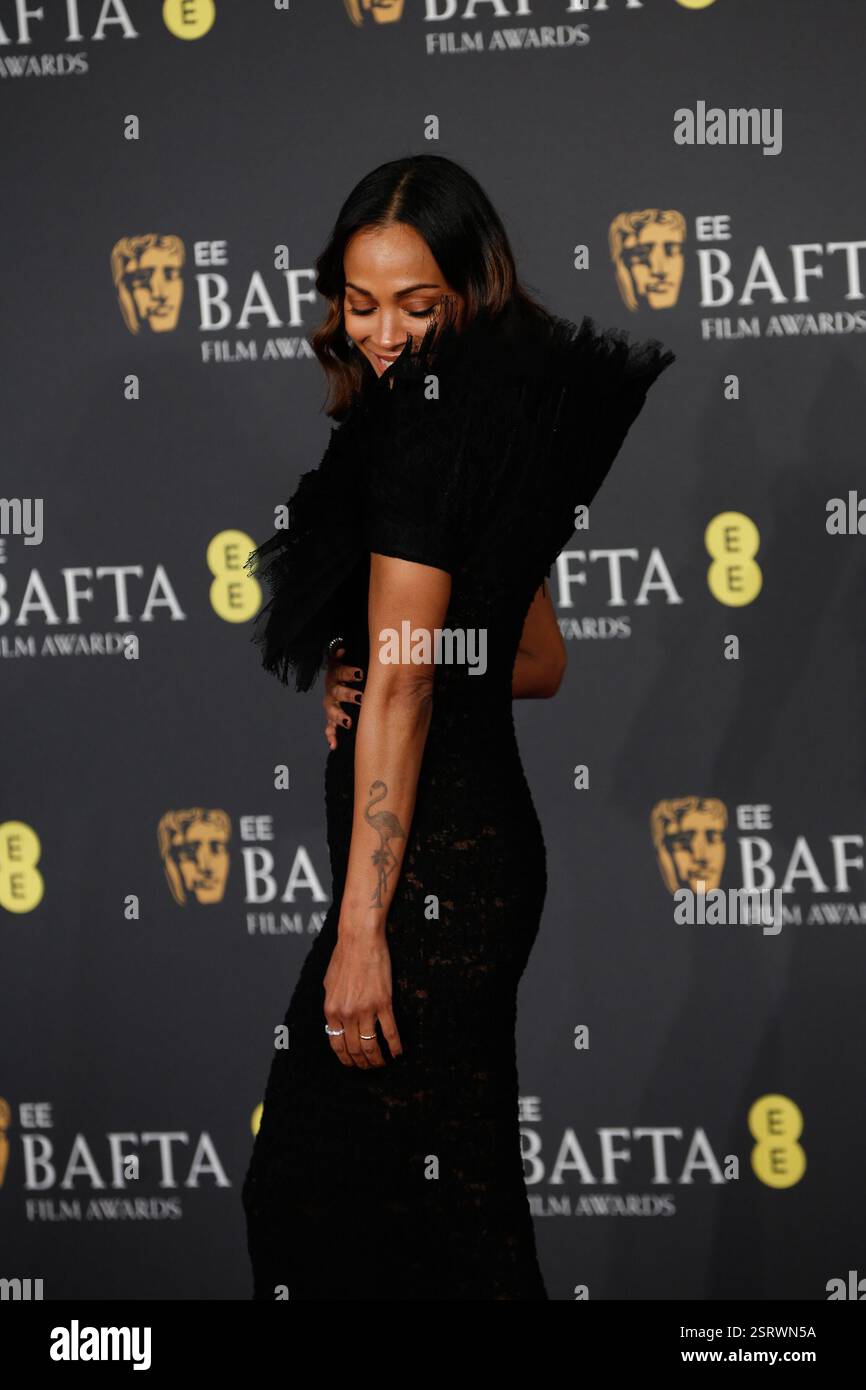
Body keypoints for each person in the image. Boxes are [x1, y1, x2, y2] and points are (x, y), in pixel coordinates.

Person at [241, 153, 675, 1300]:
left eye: (416, 305)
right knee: (438, 1202)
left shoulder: (429, 434)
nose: (383, 333)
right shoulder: (474, 417)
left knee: (323, 1198)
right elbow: (528, 658)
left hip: (429, 877)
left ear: (468, 294)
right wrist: (374, 654)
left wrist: (360, 932)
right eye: (361, 301)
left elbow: (412, 689)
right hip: (474, 860)